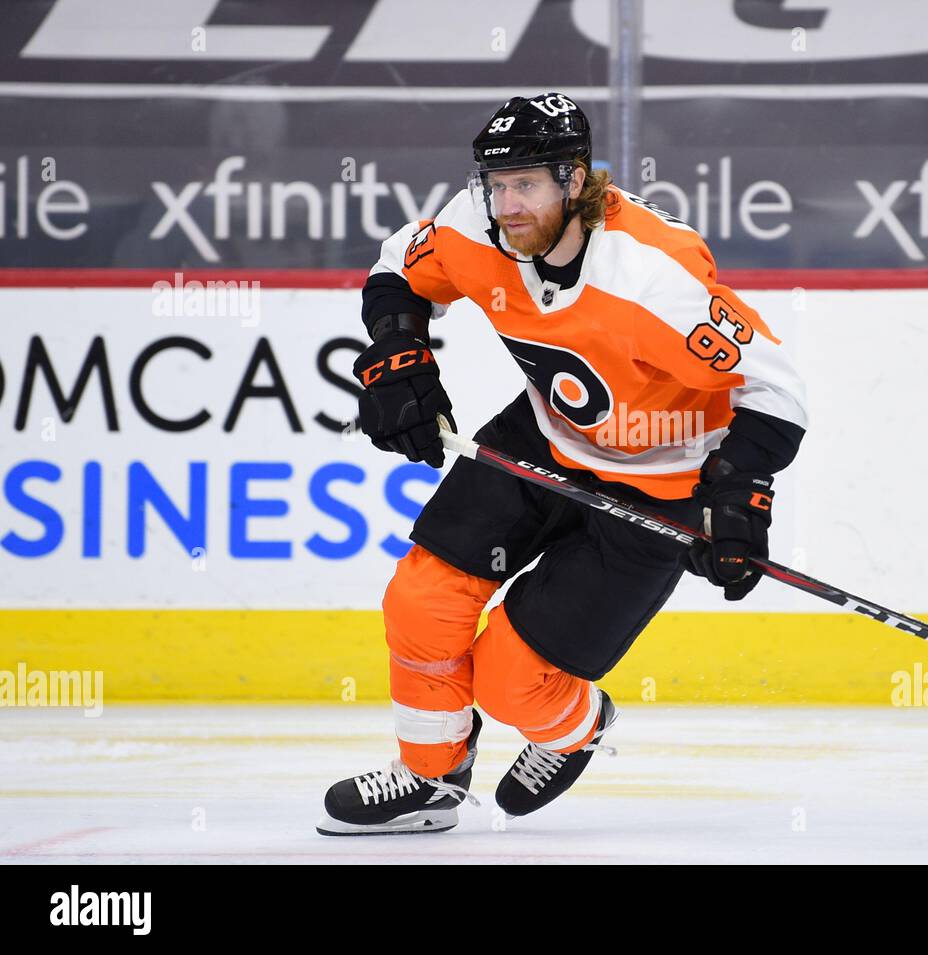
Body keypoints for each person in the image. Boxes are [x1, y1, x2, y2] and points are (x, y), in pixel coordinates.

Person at [317, 93, 807, 834]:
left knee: (513, 684)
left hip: (663, 481)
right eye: (497, 183)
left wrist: (737, 497)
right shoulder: (473, 224)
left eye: (528, 184)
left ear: (576, 181)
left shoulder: (654, 276)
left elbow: (777, 389)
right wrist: (397, 354)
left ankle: (578, 727)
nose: (507, 204)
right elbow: (399, 271)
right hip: (548, 435)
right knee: (421, 602)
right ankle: (431, 777)